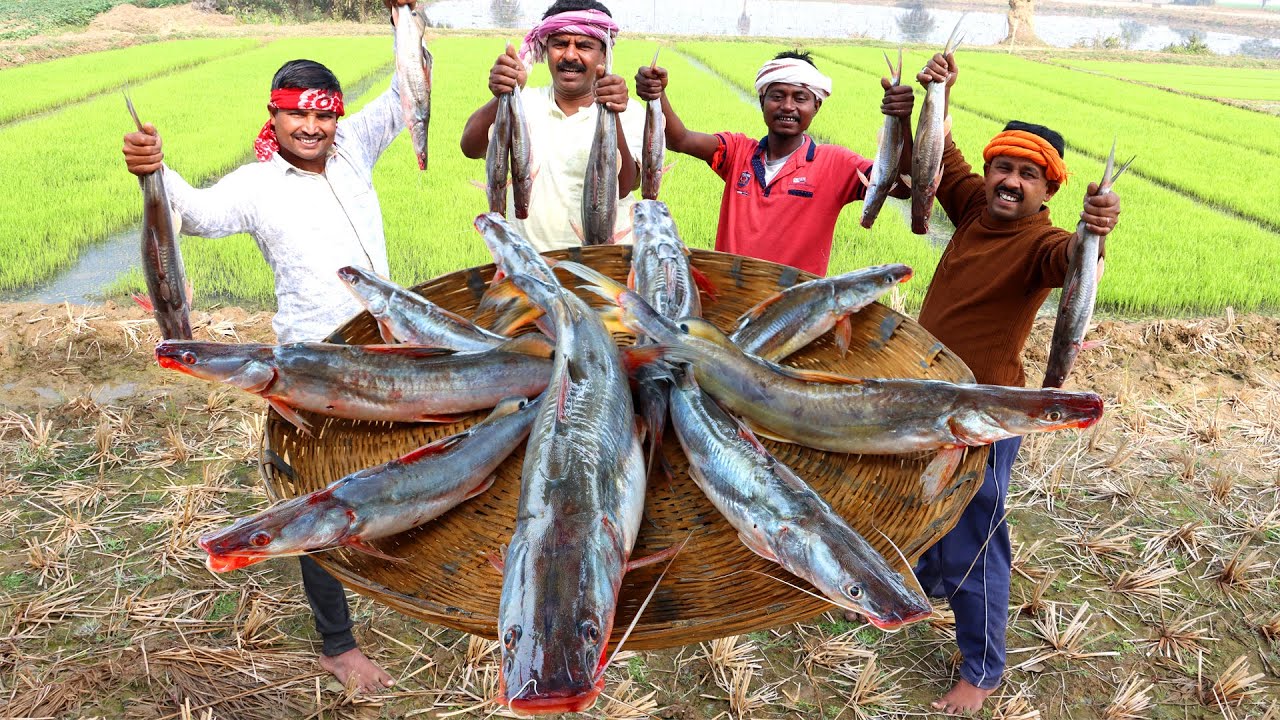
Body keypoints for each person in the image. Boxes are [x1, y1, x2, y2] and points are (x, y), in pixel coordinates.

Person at [120, 0, 423, 694]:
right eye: (298, 116)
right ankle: (338, 645)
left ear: (337, 117)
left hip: (387, 350)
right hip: (311, 364)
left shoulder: (354, 148)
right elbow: (195, 215)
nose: (312, 128)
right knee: (318, 496)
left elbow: (408, 93)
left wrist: (405, 20)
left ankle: (398, 569)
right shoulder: (256, 185)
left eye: (324, 115)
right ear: (275, 115)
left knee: (402, 469)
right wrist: (154, 171)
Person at [908, 52, 1121, 715]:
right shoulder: (973, 204)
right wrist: (939, 92)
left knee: (976, 534)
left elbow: (1075, 261)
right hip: (933, 393)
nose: (1011, 181)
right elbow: (939, 153)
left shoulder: (1042, 243)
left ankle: (982, 669)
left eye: (1029, 174)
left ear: (1048, 190)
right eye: (1004, 166)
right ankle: (928, 587)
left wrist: (1095, 231)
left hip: (989, 412)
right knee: (927, 502)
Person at [633, 50, 915, 277]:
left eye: (800, 98)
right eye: (777, 96)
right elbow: (680, 140)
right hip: (730, 298)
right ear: (762, 100)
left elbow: (901, 187)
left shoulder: (835, 163)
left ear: (816, 106)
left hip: (794, 309)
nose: (788, 106)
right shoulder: (737, 152)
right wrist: (657, 94)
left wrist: (902, 121)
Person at [459, 0, 643, 251]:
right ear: (546, 50)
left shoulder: (628, 112)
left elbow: (624, 185)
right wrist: (503, 94)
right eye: (559, 44)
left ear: (604, 54)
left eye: (584, 45)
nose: (570, 55)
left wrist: (612, 111)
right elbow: (470, 147)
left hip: (603, 262)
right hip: (530, 264)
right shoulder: (524, 104)